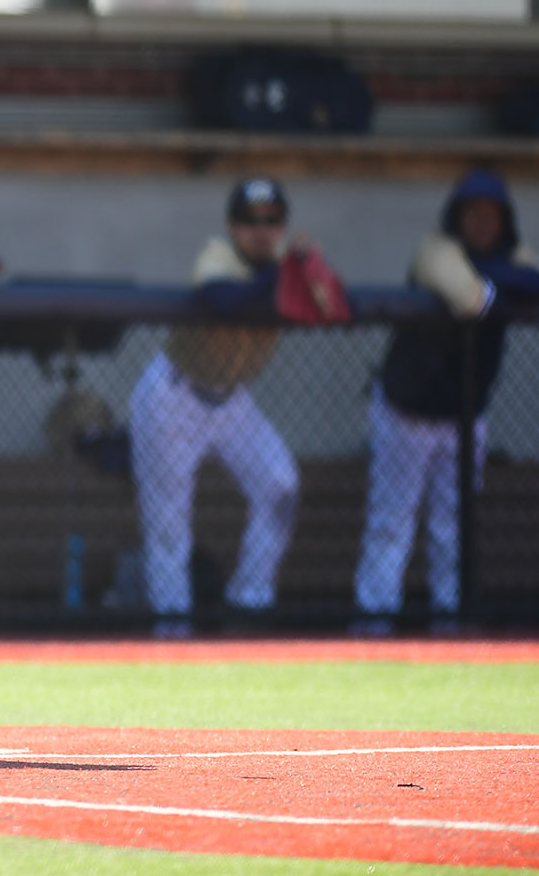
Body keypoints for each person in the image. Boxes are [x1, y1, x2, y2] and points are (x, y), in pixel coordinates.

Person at [129, 178, 322, 632]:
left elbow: (337, 304)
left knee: (280, 484)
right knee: (168, 527)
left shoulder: (283, 267)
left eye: (271, 221)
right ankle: (172, 633)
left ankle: (248, 606)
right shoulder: (218, 255)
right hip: (174, 396)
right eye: (250, 221)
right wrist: (286, 275)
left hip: (233, 401)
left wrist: (311, 270)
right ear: (232, 227)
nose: (260, 231)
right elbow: (221, 297)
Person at [354, 169, 539, 630]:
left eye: (491, 215)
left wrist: (499, 280)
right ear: (456, 217)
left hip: (466, 417)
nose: (481, 223)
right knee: (391, 525)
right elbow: (470, 300)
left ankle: (450, 626)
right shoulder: (434, 249)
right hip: (408, 412)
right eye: (472, 213)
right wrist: (504, 284)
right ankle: (372, 629)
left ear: (505, 221)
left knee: (452, 529)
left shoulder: (515, 255)